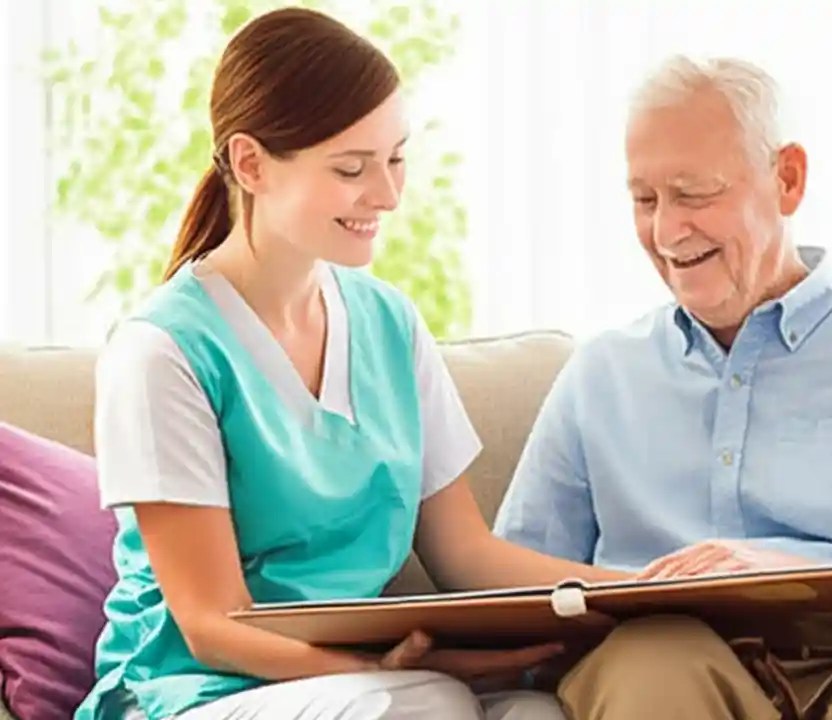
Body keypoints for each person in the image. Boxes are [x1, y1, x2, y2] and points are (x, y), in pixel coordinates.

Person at [74, 8, 627, 720]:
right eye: (351, 169)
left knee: (533, 715)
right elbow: (211, 627)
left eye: (396, 159)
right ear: (250, 164)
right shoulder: (163, 351)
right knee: (427, 707)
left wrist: (627, 592)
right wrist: (389, 668)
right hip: (190, 693)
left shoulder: (390, 324)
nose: (388, 195)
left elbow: (464, 555)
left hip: (368, 685)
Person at [494, 54, 832, 719]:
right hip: (660, 673)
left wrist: (781, 573)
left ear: (787, 179)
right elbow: (514, 598)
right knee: (651, 656)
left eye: (693, 194)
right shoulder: (598, 376)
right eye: (645, 200)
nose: (666, 232)